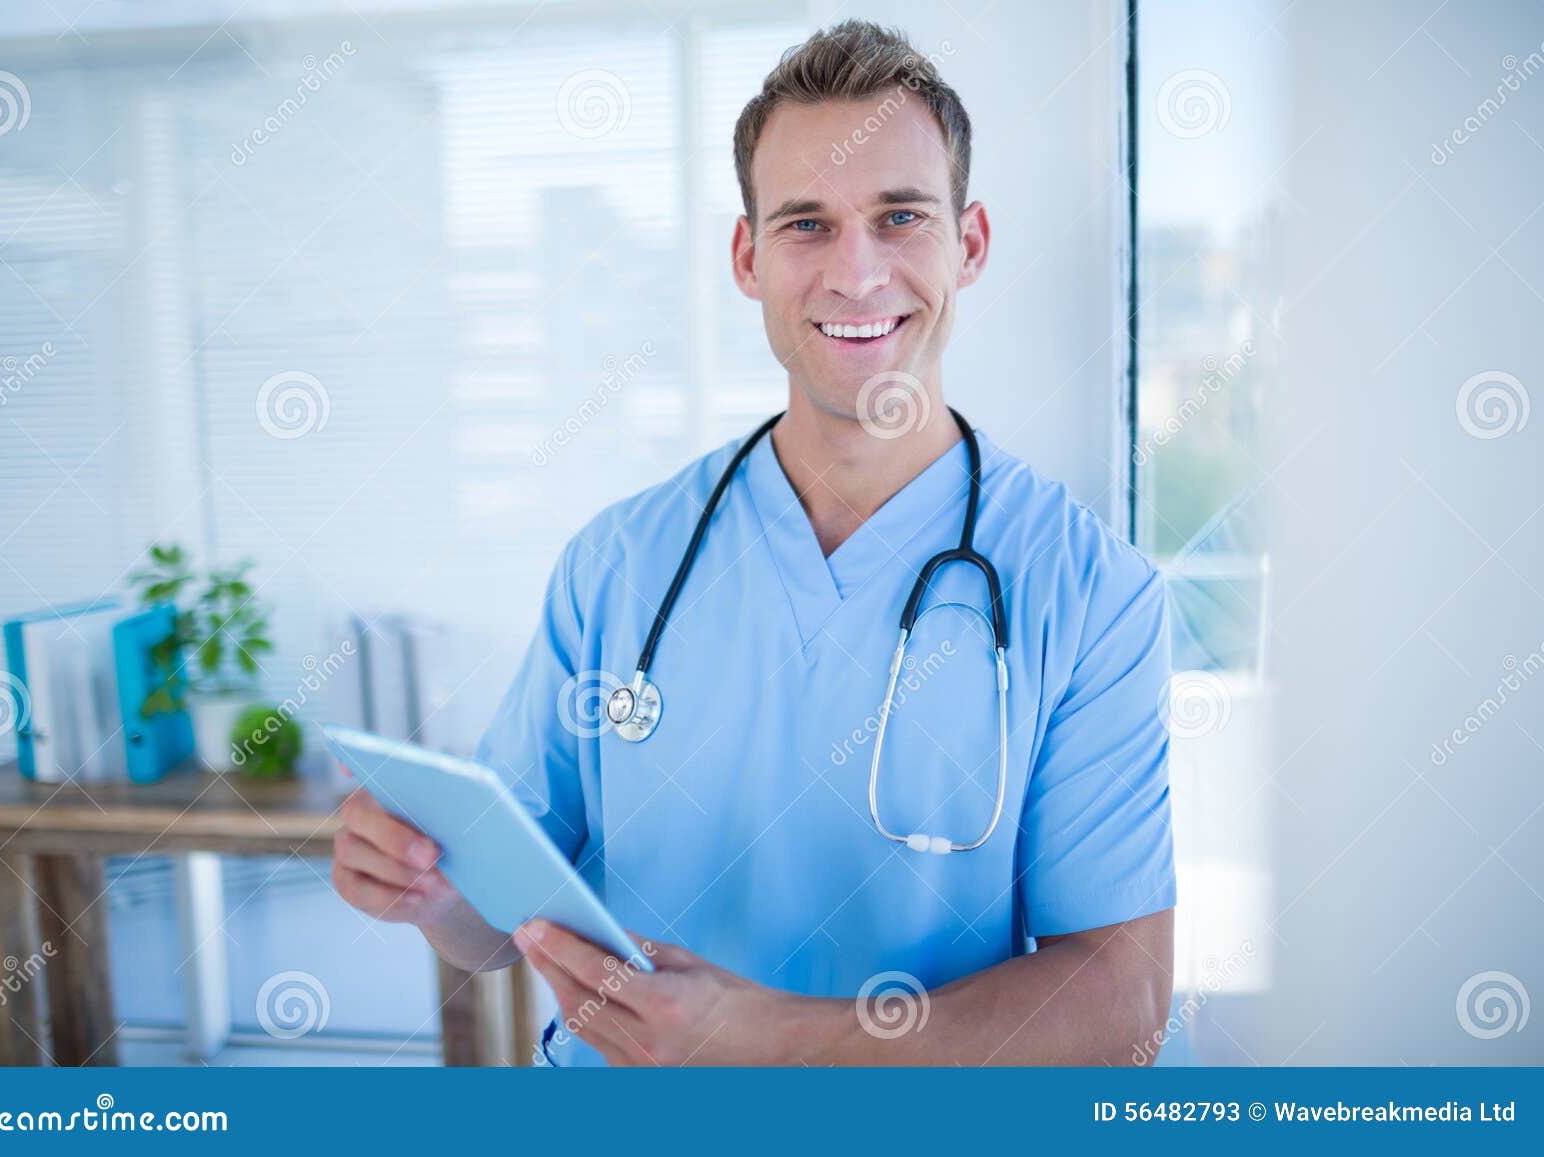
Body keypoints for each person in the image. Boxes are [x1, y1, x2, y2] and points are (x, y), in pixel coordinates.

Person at [332, 19, 1176, 1066]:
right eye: (805, 224)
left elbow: (1121, 993)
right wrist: (425, 885)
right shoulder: (618, 564)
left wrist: (776, 1039)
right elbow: (496, 924)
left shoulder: (1090, 589)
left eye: (900, 216)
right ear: (748, 256)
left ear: (971, 242)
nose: (855, 273)